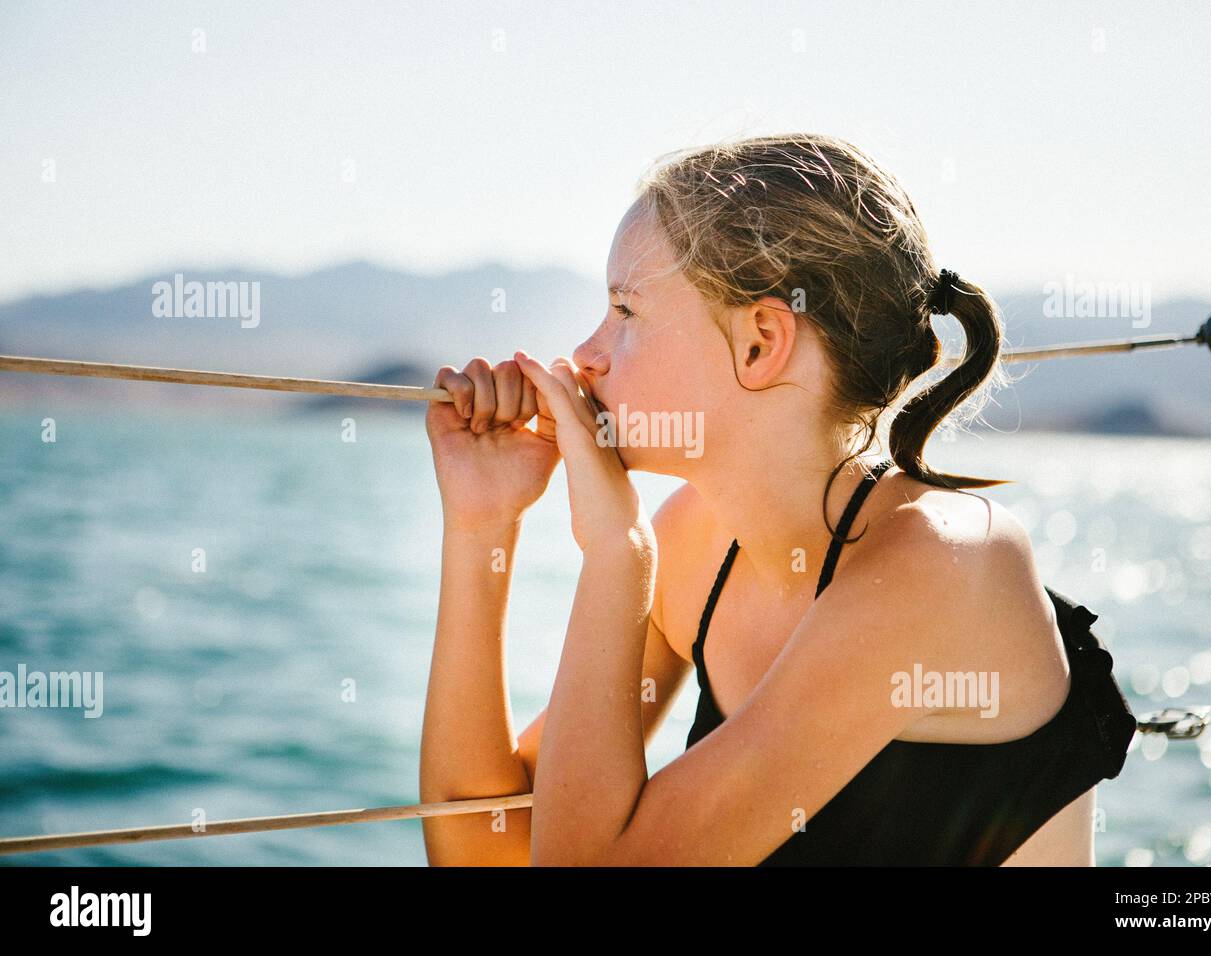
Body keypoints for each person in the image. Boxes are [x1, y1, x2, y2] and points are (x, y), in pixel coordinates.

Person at [418, 133, 1135, 866]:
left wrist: (615, 551)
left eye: (625, 313)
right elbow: (483, 848)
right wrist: (482, 525)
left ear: (762, 342)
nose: (584, 356)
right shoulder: (700, 543)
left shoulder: (943, 561)